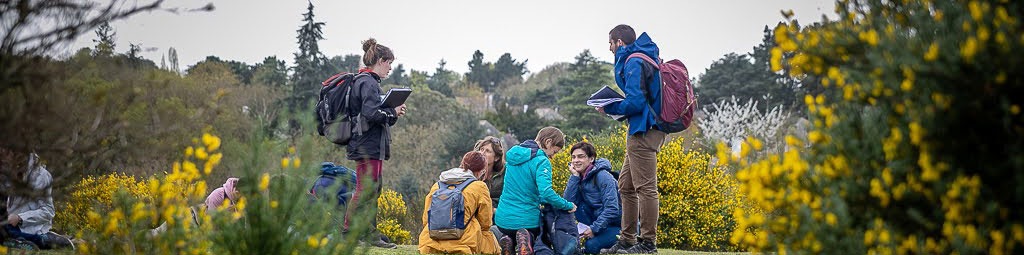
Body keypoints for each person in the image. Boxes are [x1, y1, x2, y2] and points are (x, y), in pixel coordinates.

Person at [595, 24, 666, 254]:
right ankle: (627, 239)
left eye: (610, 43)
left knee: (646, 188)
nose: (609, 48)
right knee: (625, 185)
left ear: (620, 42)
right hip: (642, 129)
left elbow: (635, 102)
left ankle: (648, 243)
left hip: (645, 130)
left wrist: (610, 106)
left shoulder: (634, 61)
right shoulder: (642, 56)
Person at [341, 38, 407, 249]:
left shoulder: (366, 82)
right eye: (389, 62)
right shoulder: (367, 82)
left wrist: (393, 113)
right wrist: (391, 111)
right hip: (366, 145)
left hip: (369, 144)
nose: (390, 67)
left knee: (372, 189)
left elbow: (377, 115)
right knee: (365, 190)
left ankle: (366, 232)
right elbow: (371, 114)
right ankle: (352, 233)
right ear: (379, 60)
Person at [494, 127, 576, 255]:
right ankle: (527, 239)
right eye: (554, 152)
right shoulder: (542, 161)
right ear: (548, 142)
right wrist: (567, 205)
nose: (552, 157)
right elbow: (546, 192)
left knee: (512, 234)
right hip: (527, 221)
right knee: (539, 233)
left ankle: (508, 239)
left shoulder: (513, 156)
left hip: (502, 220)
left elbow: (524, 188)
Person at [417, 151, 500, 255]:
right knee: (488, 238)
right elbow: (485, 222)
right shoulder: (479, 187)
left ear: (463, 164)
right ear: (481, 171)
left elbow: (426, 218)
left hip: (430, 243)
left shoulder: (437, 185)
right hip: (463, 244)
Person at [2, 152, 73, 250]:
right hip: (10, 224)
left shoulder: (41, 176)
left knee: (7, 232)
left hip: (30, 227)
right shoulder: (8, 171)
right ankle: (15, 242)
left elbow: (48, 211)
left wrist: (20, 218)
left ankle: (47, 240)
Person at [562, 142, 621, 254]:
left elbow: (612, 209)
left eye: (581, 156)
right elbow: (568, 203)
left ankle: (625, 244)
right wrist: (574, 177)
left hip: (617, 226)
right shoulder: (579, 176)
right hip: (598, 223)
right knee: (575, 206)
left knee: (591, 246)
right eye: (573, 157)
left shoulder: (603, 176)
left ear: (591, 159)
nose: (576, 160)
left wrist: (594, 229)